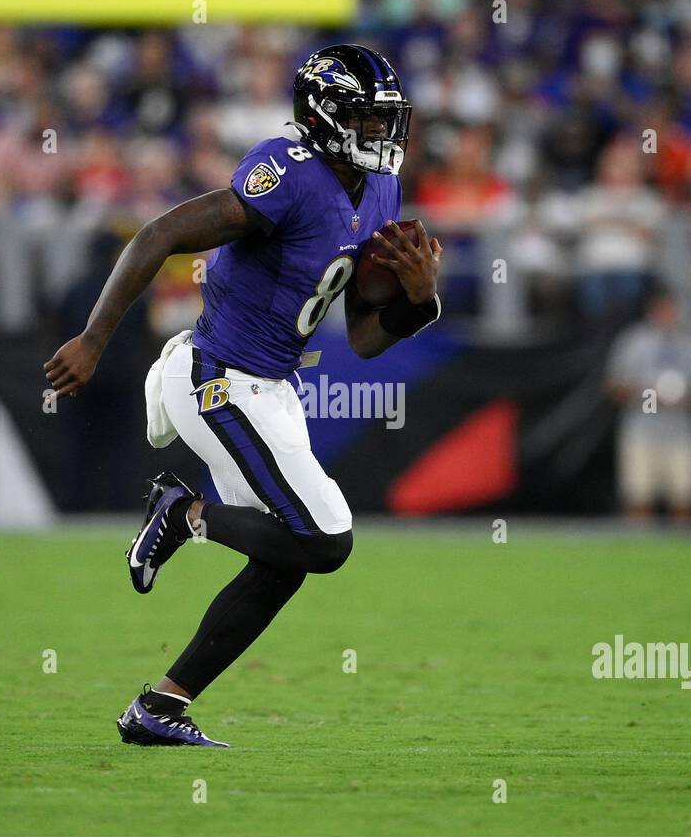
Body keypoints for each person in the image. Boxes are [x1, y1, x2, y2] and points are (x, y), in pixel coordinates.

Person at [44, 45, 443, 748]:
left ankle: (160, 707)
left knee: (288, 557)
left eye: (386, 120)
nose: (382, 134)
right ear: (324, 117)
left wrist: (420, 302)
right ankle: (184, 511)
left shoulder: (380, 190)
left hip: (271, 386)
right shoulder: (284, 175)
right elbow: (160, 232)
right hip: (215, 376)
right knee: (327, 539)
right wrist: (94, 339)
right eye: (366, 118)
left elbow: (366, 336)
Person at [606, 292, 691, 523]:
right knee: (639, 497)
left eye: (670, 309)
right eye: (661, 310)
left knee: (685, 498)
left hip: (682, 432)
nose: (666, 315)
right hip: (642, 431)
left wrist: (683, 396)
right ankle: (638, 554)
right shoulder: (633, 341)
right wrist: (650, 394)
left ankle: (685, 556)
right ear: (651, 311)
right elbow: (614, 386)